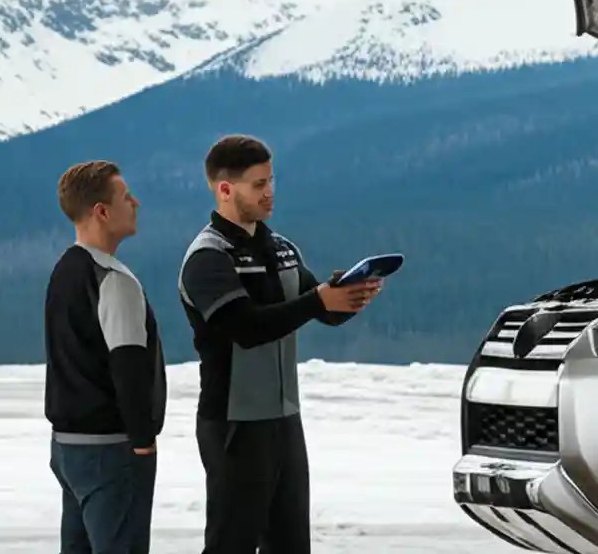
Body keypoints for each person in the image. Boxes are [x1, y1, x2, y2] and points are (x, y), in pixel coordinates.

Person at [178, 134, 382, 553]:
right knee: (231, 542)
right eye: (258, 184)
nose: (269, 192)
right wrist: (317, 300)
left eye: (271, 181)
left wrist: (346, 296)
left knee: (291, 544)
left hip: (285, 419)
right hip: (233, 421)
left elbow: (319, 310)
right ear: (225, 189)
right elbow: (246, 328)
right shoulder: (208, 257)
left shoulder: (283, 249)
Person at [44, 160, 166, 554]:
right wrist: (143, 441)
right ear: (102, 211)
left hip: (67, 448)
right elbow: (127, 365)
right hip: (111, 450)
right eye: (125, 196)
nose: (136, 203)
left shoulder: (63, 271)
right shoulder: (113, 279)